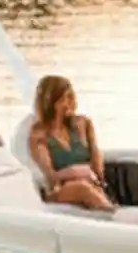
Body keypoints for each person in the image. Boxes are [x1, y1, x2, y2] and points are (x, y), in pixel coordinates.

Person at [27, 75, 116, 212]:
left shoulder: (83, 124)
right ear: (50, 102)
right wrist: (73, 172)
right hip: (61, 190)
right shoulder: (39, 135)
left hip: (90, 182)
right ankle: (114, 215)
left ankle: (110, 212)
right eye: (64, 99)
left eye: (71, 97)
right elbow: (50, 176)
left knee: (88, 187)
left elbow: (96, 157)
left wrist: (96, 176)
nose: (70, 103)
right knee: (81, 187)